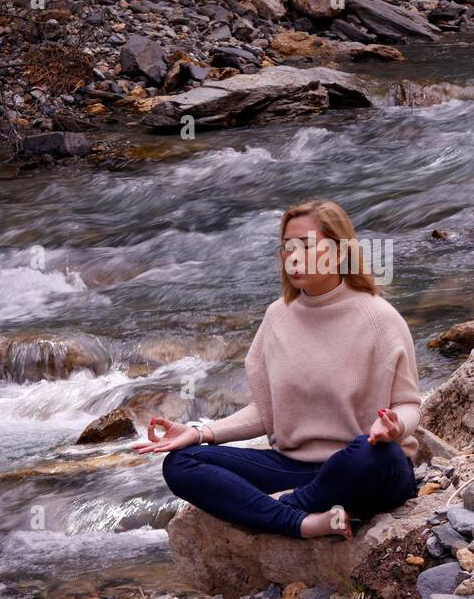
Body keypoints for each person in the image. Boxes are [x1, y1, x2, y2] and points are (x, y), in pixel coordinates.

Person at [135, 198, 422, 540]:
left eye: (306, 245)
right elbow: (268, 410)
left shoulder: (380, 317)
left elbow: (409, 404)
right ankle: (301, 522)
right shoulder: (277, 317)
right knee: (182, 463)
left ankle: (283, 508)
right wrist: (199, 433)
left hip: (362, 468)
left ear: (340, 251)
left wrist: (394, 427)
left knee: (374, 455)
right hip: (294, 467)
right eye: (287, 247)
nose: (294, 257)